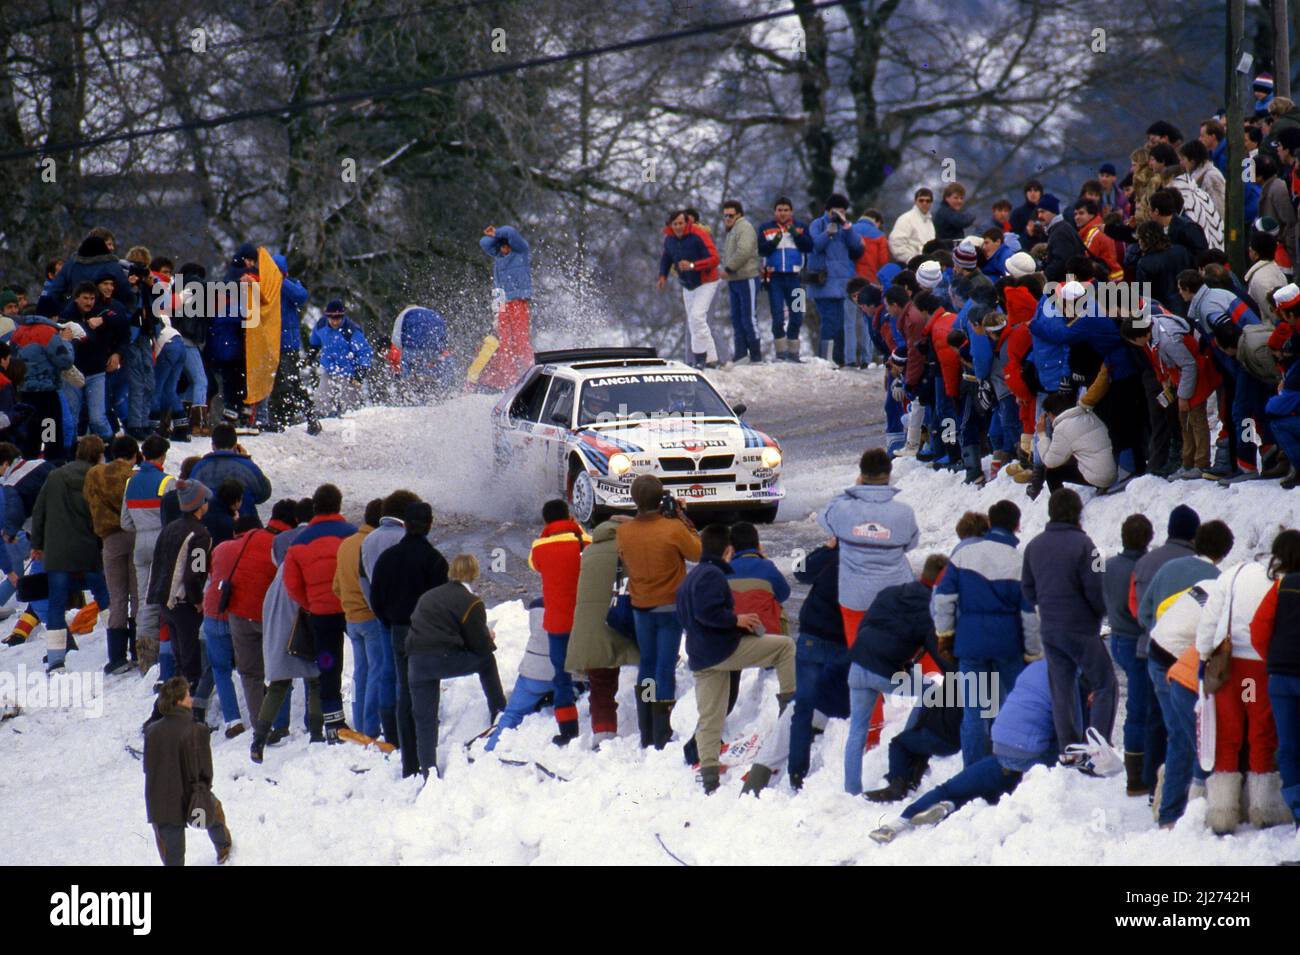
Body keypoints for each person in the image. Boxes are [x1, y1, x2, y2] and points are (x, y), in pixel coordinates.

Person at [869, 660, 1056, 844]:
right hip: (1029, 755)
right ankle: (965, 803)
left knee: (950, 787)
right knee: (1002, 790)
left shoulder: (1026, 672)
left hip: (1001, 747)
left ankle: (899, 822)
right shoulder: (1058, 677)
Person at [678, 524, 795, 795]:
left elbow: (691, 617)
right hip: (723, 650)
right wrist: (737, 620)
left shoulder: (691, 577)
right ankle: (789, 705)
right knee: (785, 647)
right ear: (728, 550)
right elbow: (709, 613)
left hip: (701, 655)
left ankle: (709, 779)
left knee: (710, 717)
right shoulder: (713, 574)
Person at [933, 499, 1040, 767]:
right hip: (1008, 646)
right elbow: (1030, 615)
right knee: (1010, 708)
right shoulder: (1019, 562)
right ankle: (1007, 767)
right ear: (1017, 526)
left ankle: (973, 770)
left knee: (974, 713)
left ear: (990, 523)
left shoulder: (964, 556)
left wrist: (945, 634)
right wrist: (1032, 651)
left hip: (971, 646)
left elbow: (944, 598)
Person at [1142, 519, 1233, 827]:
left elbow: (1144, 610)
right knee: (1184, 737)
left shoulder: (1175, 570)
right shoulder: (1219, 585)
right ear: (1224, 552)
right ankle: (1176, 813)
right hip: (1175, 662)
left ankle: (1163, 801)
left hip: (1155, 650)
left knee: (1172, 731)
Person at [1195, 547, 1288, 833]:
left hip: (1227, 666)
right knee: (1261, 732)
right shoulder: (1278, 580)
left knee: (1228, 733)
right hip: (1257, 667)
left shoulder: (1230, 576)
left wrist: (1202, 656)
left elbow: (1210, 620)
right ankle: (1264, 807)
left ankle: (1222, 811)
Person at [1021, 488, 1116, 760]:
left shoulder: (1033, 546)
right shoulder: (1089, 547)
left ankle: (1067, 749)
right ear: (1078, 513)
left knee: (1061, 689)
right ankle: (1098, 747)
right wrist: (1102, 613)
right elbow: (1097, 589)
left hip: (1050, 628)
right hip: (1082, 628)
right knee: (1104, 684)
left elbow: (1027, 590)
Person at [844, 553, 950, 795]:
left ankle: (851, 791)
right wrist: (958, 675)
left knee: (857, 731)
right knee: (931, 691)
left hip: (858, 666)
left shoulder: (890, 592)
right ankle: (907, 745)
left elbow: (865, 626)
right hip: (887, 672)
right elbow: (936, 651)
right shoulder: (930, 610)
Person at [615, 474, 701, 748]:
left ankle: (647, 728)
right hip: (671, 607)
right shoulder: (673, 528)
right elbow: (697, 552)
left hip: (641, 607)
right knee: (665, 666)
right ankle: (662, 729)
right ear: (661, 497)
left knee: (648, 665)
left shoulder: (624, 532)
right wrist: (682, 518)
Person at [406, 554, 507, 779]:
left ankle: (428, 771)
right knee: (487, 661)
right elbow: (480, 646)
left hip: (416, 662)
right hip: (442, 658)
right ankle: (499, 710)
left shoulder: (428, 596)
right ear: (474, 573)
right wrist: (488, 636)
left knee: (425, 717)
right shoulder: (471, 602)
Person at [369, 500, 449, 777]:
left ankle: (409, 762)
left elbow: (376, 599)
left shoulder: (387, 558)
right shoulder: (435, 560)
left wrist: (390, 621)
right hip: (426, 634)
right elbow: (443, 603)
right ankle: (428, 756)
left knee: (405, 690)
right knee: (426, 693)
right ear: (429, 525)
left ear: (405, 524)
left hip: (398, 631)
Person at [819, 448, 919, 650]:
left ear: (861, 475)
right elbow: (911, 543)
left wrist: (852, 491)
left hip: (855, 598)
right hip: (895, 597)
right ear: (889, 475)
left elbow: (825, 517)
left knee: (860, 656)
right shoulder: (904, 513)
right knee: (895, 657)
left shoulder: (843, 509)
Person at [282, 483, 356, 742]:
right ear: (339, 504)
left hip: (321, 614)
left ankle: (333, 721)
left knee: (328, 664)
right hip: (351, 609)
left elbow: (291, 584)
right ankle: (370, 713)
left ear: (315, 507)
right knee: (368, 659)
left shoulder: (299, 541)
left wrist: (310, 603)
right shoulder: (351, 534)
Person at [32, 435, 113, 672]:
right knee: (105, 598)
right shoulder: (98, 478)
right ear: (98, 455)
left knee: (57, 604)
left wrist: (37, 544)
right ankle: (117, 647)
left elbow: (39, 512)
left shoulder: (55, 476)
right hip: (89, 551)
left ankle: (56, 659)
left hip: (57, 552)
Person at [226, 499, 295, 745]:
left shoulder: (251, 536)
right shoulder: (285, 545)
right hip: (268, 616)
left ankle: (260, 726)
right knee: (280, 667)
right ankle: (279, 724)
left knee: (250, 673)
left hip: (237, 612)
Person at [143, 676, 232, 866]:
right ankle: (225, 850)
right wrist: (203, 792)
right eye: (187, 696)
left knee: (173, 857)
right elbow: (205, 770)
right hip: (192, 795)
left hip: (160, 804)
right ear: (178, 702)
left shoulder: (151, 732)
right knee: (215, 815)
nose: (191, 699)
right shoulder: (197, 730)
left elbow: (148, 768)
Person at [564, 514, 636, 746]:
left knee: (601, 683)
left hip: (591, 625)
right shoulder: (630, 547)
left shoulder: (589, 552)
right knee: (650, 675)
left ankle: (603, 734)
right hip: (622, 620)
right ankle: (651, 720)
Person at [786, 539, 849, 790]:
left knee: (803, 707)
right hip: (843, 642)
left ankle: (796, 772)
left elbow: (800, 570)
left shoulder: (831, 557)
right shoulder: (868, 563)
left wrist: (826, 548)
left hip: (812, 639)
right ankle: (839, 763)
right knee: (848, 705)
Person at [527, 499, 589, 745]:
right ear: (570, 516)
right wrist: (577, 529)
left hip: (558, 624)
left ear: (546, 521)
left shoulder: (540, 547)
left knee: (561, 676)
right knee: (598, 672)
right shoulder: (584, 543)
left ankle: (567, 728)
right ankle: (603, 718)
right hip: (586, 622)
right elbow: (587, 540)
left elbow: (534, 565)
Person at [1250, 529, 1300, 832]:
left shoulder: (1280, 588)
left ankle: (1297, 810)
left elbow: (1258, 629)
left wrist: (1274, 659)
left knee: (1288, 746)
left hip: (1280, 678)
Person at [1103, 513, 1154, 797]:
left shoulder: (1108, 566)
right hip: (1139, 642)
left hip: (1118, 640)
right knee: (1142, 708)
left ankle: (1136, 769)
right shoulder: (1146, 569)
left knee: (1137, 706)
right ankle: (1140, 773)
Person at [197, 513, 260, 737]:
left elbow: (211, 575)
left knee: (221, 669)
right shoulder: (257, 549)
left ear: (235, 532)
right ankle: (259, 710)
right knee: (248, 667)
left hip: (214, 611)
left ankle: (233, 720)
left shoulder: (220, 548)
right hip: (240, 614)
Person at [147, 479, 212, 688]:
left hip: (164, 600)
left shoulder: (170, 528)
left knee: (179, 659)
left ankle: (170, 708)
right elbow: (197, 572)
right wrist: (197, 600)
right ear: (200, 504)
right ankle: (188, 710)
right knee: (190, 664)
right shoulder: (200, 534)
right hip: (184, 603)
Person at [83, 434, 140, 674]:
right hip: (135, 536)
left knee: (117, 596)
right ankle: (138, 650)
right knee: (138, 595)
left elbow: (87, 499)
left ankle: (116, 657)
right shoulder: (134, 477)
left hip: (110, 539)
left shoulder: (94, 474)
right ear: (135, 455)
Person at [120, 434, 172, 673]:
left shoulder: (131, 482)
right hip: (162, 542)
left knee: (143, 600)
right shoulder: (167, 482)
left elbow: (125, 522)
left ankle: (144, 657)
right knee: (165, 599)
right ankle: (163, 654)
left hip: (140, 542)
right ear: (162, 456)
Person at [332, 498, 384, 740]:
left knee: (360, 670)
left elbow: (336, 586)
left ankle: (360, 721)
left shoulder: (346, 544)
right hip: (371, 617)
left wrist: (348, 606)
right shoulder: (372, 546)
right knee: (376, 670)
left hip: (351, 618)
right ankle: (371, 727)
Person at [805, 194, 864, 365]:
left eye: (843, 211)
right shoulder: (818, 224)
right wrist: (828, 232)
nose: (839, 214)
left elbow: (857, 247)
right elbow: (815, 246)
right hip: (823, 283)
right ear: (828, 210)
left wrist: (847, 226)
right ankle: (825, 359)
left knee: (839, 325)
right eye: (836, 210)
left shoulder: (846, 228)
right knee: (829, 323)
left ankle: (838, 360)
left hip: (842, 284)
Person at [657, 210, 721, 367]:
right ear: (670, 225)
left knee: (697, 317)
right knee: (693, 323)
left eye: (681, 223)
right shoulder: (669, 240)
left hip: (707, 281)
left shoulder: (698, 234)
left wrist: (693, 265)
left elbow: (715, 259)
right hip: (687, 284)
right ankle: (711, 359)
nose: (678, 227)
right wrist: (662, 276)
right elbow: (666, 258)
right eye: (675, 224)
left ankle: (700, 359)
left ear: (687, 223)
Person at [10, 310, 75, 461]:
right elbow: (65, 361)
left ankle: (28, 467)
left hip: (25, 395)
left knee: (30, 436)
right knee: (50, 436)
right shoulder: (47, 332)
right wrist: (65, 341)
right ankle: (51, 465)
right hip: (46, 397)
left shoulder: (18, 332)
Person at [756, 198, 814, 363]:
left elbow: (808, 246)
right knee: (778, 317)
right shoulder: (766, 228)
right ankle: (781, 353)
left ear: (791, 212)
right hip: (775, 278)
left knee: (797, 315)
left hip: (796, 278)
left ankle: (794, 353)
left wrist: (795, 233)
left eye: (786, 210)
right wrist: (775, 241)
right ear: (775, 212)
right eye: (779, 210)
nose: (782, 213)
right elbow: (761, 250)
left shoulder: (801, 227)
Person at [477, 224, 534, 388]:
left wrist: (497, 232)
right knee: (505, 342)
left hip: (518, 300)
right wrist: (496, 310)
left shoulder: (521, 251)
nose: (504, 248)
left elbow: (510, 231)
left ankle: (529, 370)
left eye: (506, 244)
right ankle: (510, 378)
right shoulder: (498, 259)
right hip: (502, 302)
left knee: (520, 339)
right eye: (501, 246)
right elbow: (483, 243)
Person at [306, 299, 372, 435]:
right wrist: (312, 354)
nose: (335, 321)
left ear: (343, 317)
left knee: (348, 405)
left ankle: (350, 434)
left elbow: (364, 352)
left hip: (348, 373)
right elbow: (315, 341)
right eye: (332, 318)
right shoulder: (321, 325)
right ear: (327, 316)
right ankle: (322, 430)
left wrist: (360, 373)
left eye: (338, 318)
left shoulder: (351, 331)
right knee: (321, 399)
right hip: (329, 370)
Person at [1034, 391, 1116, 493]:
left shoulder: (1062, 428)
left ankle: (1062, 507)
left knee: (1052, 473)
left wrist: (1041, 434)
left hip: (1101, 478)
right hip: (1114, 469)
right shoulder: (1088, 413)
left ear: (1050, 414)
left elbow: (1050, 462)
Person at [188, 423, 272, 518]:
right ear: (235, 445)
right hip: (244, 525)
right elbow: (263, 493)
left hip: (209, 525)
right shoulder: (248, 466)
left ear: (213, 445)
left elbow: (191, 497)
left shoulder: (200, 467)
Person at [266, 253, 310, 431]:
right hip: (271, 344)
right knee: (275, 384)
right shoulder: (267, 287)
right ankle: (279, 418)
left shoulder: (291, 285)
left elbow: (301, 296)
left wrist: (281, 281)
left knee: (292, 382)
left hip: (288, 344)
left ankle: (308, 415)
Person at [720, 200, 763, 363]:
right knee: (736, 318)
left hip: (747, 278)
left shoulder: (744, 227)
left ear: (739, 214)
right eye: (725, 215)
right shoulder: (731, 230)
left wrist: (728, 268)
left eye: (731, 215)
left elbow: (744, 251)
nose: (727, 218)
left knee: (749, 318)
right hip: (734, 280)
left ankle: (756, 355)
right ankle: (741, 354)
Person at [1036, 194, 1086, 282]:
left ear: (1053, 212)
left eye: (1043, 212)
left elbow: (1061, 262)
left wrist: (1043, 277)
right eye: (1038, 212)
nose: (1039, 216)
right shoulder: (1061, 228)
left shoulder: (1060, 232)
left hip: (1067, 284)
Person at [889, 188, 935, 263]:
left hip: (926, 266)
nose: (924, 203)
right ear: (915, 201)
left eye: (928, 201)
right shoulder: (906, 219)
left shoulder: (929, 222)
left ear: (931, 203)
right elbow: (895, 243)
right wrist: (912, 260)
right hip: (909, 265)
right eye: (921, 200)